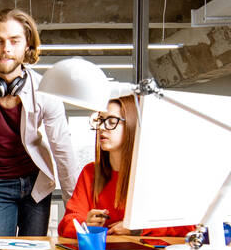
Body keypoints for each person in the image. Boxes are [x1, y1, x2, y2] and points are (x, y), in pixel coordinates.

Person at [0, 8, 79, 237]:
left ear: (27, 45)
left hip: (35, 184)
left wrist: (77, 207)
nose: (6, 49)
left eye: (14, 41)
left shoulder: (45, 89)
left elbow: (63, 150)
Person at [57, 98, 198, 240]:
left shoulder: (153, 173)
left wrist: (137, 228)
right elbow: (67, 223)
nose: (102, 127)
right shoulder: (90, 172)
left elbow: (186, 227)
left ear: (132, 125)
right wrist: (85, 224)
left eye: (112, 122)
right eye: (100, 121)